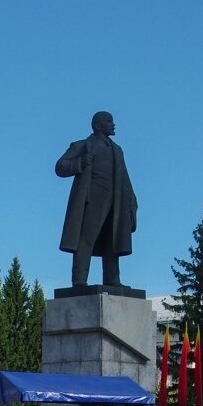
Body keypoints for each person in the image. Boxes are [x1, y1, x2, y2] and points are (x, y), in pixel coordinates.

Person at [55, 111, 138, 288]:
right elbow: (60, 166)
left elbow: (125, 178)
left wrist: (131, 201)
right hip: (92, 199)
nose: (113, 124)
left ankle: (112, 279)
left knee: (112, 239)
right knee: (86, 239)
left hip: (116, 200)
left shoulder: (117, 150)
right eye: (109, 121)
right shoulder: (83, 146)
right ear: (98, 126)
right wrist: (81, 162)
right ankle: (79, 280)